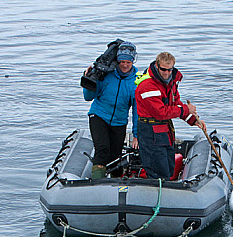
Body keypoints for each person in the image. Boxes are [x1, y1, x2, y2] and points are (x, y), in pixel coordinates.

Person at [134, 52, 206, 180]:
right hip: (150, 131)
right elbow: (161, 112)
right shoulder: (147, 86)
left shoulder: (170, 83)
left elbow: (175, 104)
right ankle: (156, 192)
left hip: (165, 131)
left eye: (169, 70)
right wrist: (185, 109)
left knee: (168, 166)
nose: (167, 73)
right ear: (156, 66)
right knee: (157, 168)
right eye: (163, 69)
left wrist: (193, 119)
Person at [83, 41, 138, 179]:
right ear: (117, 61)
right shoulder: (106, 74)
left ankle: (116, 184)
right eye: (121, 62)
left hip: (119, 122)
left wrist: (136, 134)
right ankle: (97, 184)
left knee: (115, 157)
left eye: (128, 62)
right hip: (99, 115)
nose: (125, 65)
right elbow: (88, 97)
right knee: (102, 150)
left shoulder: (136, 81)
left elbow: (137, 111)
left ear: (133, 61)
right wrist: (88, 79)